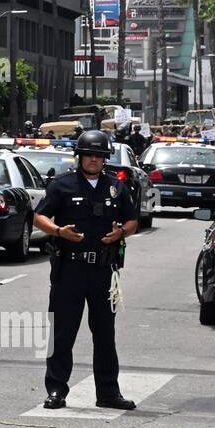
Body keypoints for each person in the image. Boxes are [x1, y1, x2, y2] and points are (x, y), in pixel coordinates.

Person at [33, 129, 139, 410]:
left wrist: (121, 234)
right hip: (70, 269)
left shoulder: (116, 187)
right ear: (79, 156)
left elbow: (132, 221)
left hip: (103, 270)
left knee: (105, 334)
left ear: (105, 159)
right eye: (88, 155)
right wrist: (58, 231)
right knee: (62, 332)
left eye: (99, 156)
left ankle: (108, 393)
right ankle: (56, 390)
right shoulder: (63, 185)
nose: (93, 160)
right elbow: (39, 216)